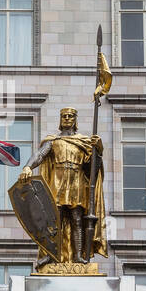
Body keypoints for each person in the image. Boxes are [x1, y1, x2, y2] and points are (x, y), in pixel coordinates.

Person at [17, 107, 106, 267]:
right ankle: (52, 255)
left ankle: (79, 256)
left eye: (70, 116)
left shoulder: (84, 142)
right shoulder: (53, 141)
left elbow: (92, 168)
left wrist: (98, 150)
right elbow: (40, 155)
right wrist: (28, 167)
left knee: (77, 220)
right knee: (54, 221)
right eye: (64, 116)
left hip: (76, 183)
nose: (67, 118)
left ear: (75, 119)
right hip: (57, 183)